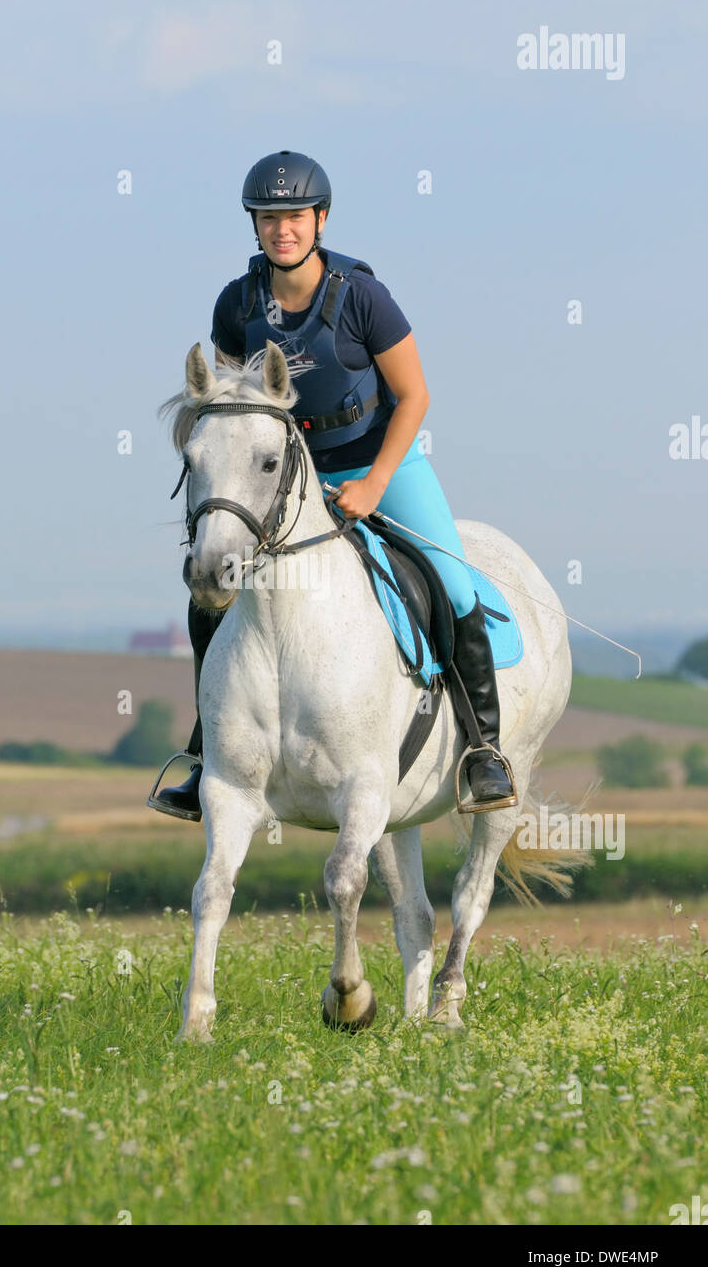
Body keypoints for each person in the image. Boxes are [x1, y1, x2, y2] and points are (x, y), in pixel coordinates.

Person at [149, 149, 517, 820]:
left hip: (383, 463)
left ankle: (482, 752)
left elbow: (413, 396)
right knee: (214, 590)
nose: (280, 229)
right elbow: (233, 412)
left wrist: (375, 484)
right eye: (267, 218)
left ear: (319, 219)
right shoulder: (237, 303)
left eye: (293, 216)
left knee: (452, 583)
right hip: (288, 479)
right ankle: (207, 753)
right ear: (254, 226)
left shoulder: (362, 298)